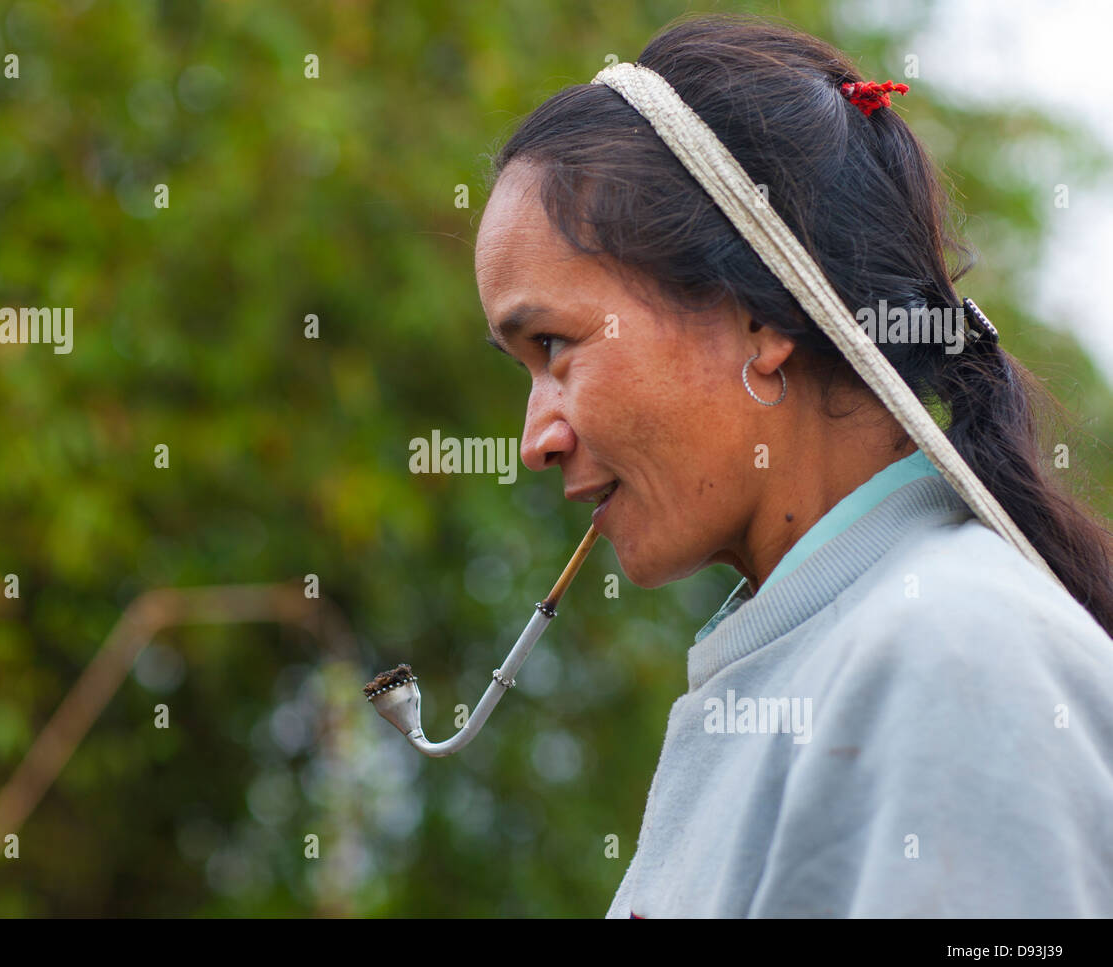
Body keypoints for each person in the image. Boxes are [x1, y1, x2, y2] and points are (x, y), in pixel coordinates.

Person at [473, 13, 1113, 917]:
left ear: (762, 319)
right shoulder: (829, 657)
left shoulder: (948, 660)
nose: (537, 437)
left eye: (555, 345)